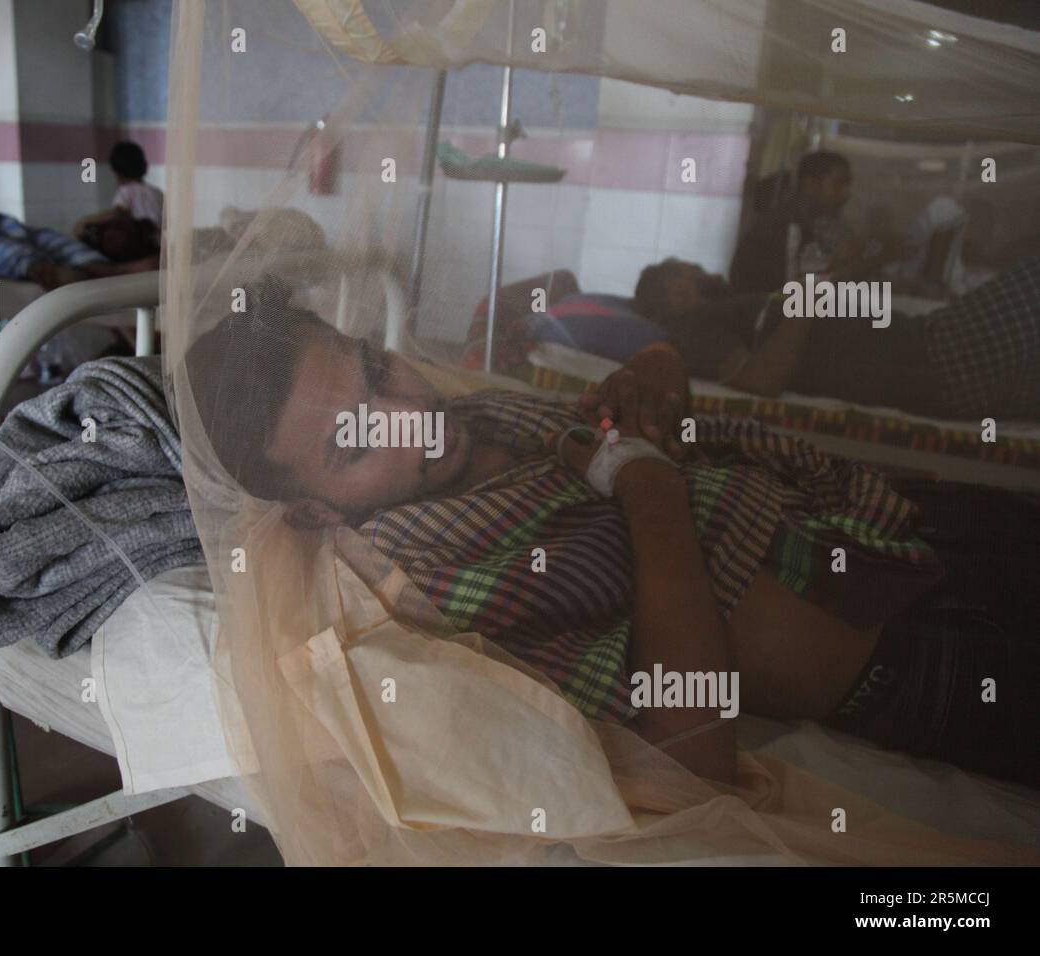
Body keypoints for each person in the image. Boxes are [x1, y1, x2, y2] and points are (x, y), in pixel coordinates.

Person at [183, 276, 1039, 787]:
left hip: (907, 523)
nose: (411, 416)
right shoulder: (427, 573)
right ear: (316, 511)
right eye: (355, 441)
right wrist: (648, 487)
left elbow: (626, 435)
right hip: (927, 652)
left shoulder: (484, 420)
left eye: (377, 369)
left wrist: (657, 371)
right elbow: (693, 745)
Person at [633, 256, 1040, 419]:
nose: (702, 269)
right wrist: (806, 300)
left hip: (936, 346)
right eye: (689, 268)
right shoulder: (691, 330)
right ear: (675, 291)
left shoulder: (723, 311)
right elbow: (762, 380)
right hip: (943, 358)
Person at [729, 151, 892, 294]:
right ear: (811, 185)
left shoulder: (811, 227)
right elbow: (795, 293)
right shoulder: (785, 227)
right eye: (838, 184)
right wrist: (857, 262)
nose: (846, 194)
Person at [0, 199, 155, 290]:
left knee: (58, 243)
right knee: (17, 255)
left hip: (8, 225)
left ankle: (115, 271)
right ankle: (57, 275)